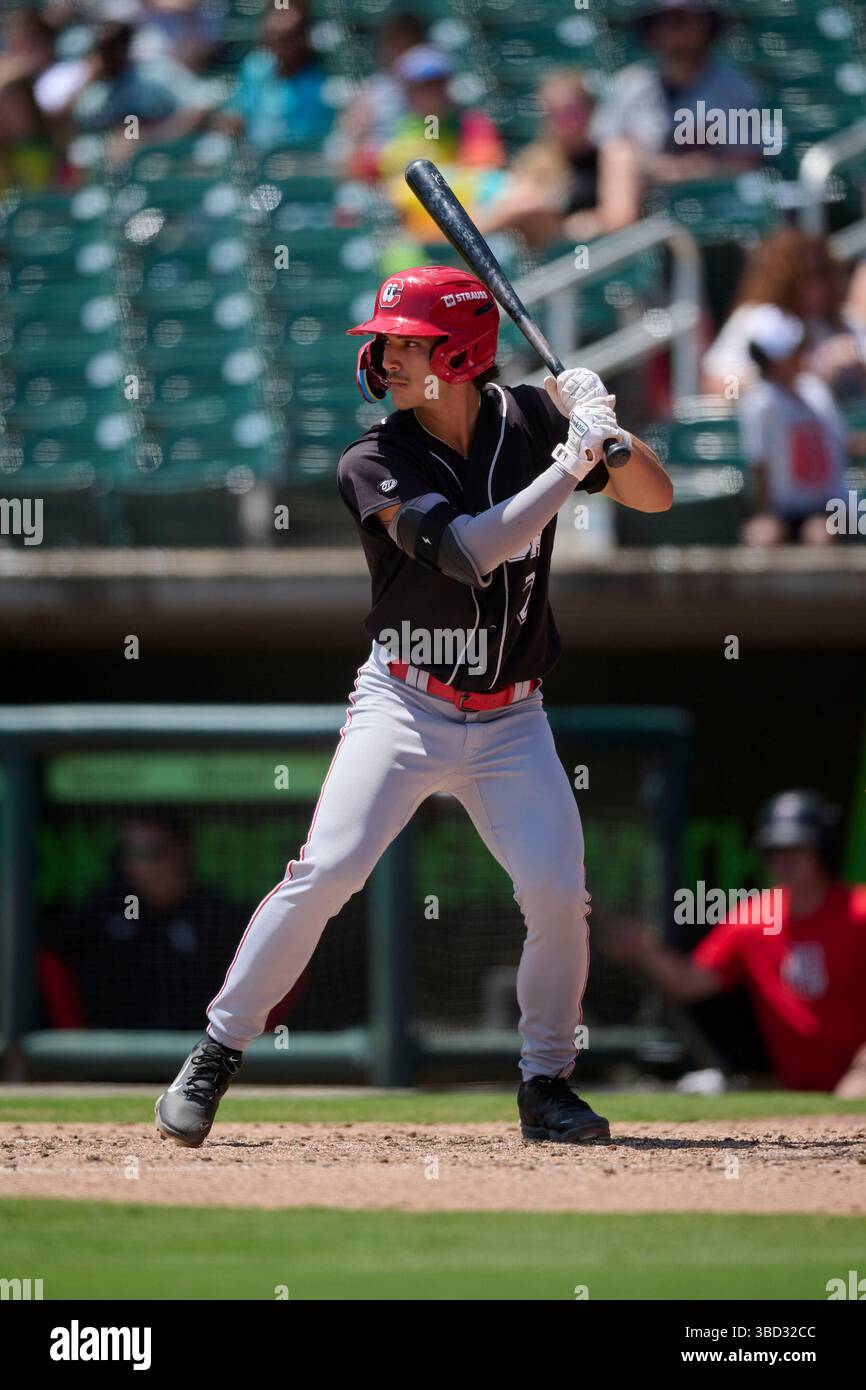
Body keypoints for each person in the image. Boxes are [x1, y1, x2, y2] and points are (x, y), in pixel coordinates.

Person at [155, 264, 673, 1148]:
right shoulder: (374, 458)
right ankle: (215, 1051)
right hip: (406, 700)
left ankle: (546, 1084)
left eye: (407, 343)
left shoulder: (536, 423)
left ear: (461, 354)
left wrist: (609, 433)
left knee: (557, 894)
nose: (387, 358)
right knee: (329, 870)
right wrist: (572, 462)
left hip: (513, 714)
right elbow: (472, 552)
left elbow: (654, 496)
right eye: (386, 343)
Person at [606, 791, 866, 1095]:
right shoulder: (753, 919)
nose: (783, 859)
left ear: (821, 849)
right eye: (774, 849)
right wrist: (642, 949)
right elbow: (691, 981)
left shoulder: (858, 911)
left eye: (795, 847)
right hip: (798, 1089)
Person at [39, 818, 238, 1032]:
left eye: (176, 850)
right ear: (126, 862)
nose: (170, 864)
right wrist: (74, 1044)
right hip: (109, 1055)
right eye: (152, 854)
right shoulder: (100, 915)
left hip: (200, 1055)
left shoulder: (213, 914)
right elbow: (51, 964)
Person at [591, 0, 763, 190]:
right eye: (666, 21)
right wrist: (660, 167)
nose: (676, 30)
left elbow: (747, 161)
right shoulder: (629, 84)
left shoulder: (736, 86)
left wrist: (698, 167)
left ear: (707, 25)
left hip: (715, 200)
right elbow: (609, 151)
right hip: (645, 199)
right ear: (651, 29)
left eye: (685, 20)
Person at [477, 68, 640, 249]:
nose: (567, 123)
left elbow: (620, 218)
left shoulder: (614, 153)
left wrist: (580, 224)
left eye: (573, 112)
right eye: (556, 115)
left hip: (606, 255)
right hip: (552, 259)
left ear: (591, 110)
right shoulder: (538, 159)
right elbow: (514, 205)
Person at [737, 305, 850, 546]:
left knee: (820, 535)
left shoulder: (816, 391)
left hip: (824, 507)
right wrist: (763, 513)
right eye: (795, 350)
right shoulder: (759, 402)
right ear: (775, 360)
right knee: (763, 537)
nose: (802, 353)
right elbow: (760, 465)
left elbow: (840, 443)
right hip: (780, 510)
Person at [701, 228, 852, 395]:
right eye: (808, 275)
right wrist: (774, 376)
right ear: (783, 278)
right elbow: (721, 387)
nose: (820, 286)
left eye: (824, 273)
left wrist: (857, 363)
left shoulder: (838, 322)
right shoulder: (756, 321)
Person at [376, 46, 505, 240]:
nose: (432, 94)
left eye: (437, 85)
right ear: (408, 91)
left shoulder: (473, 123)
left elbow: (488, 180)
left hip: (475, 226)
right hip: (415, 236)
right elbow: (391, 191)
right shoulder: (395, 131)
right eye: (423, 87)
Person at [219, 6, 332, 152]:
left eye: (289, 37)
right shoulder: (256, 68)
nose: (281, 45)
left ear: (303, 37)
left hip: (305, 159)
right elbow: (237, 112)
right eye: (274, 36)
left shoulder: (320, 80)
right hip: (256, 158)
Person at [335, 9, 427, 181]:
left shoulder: (434, 86)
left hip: (417, 170)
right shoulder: (370, 91)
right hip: (375, 177)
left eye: (409, 40)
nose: (401, 47)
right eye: (395, 40)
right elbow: (346, 152)